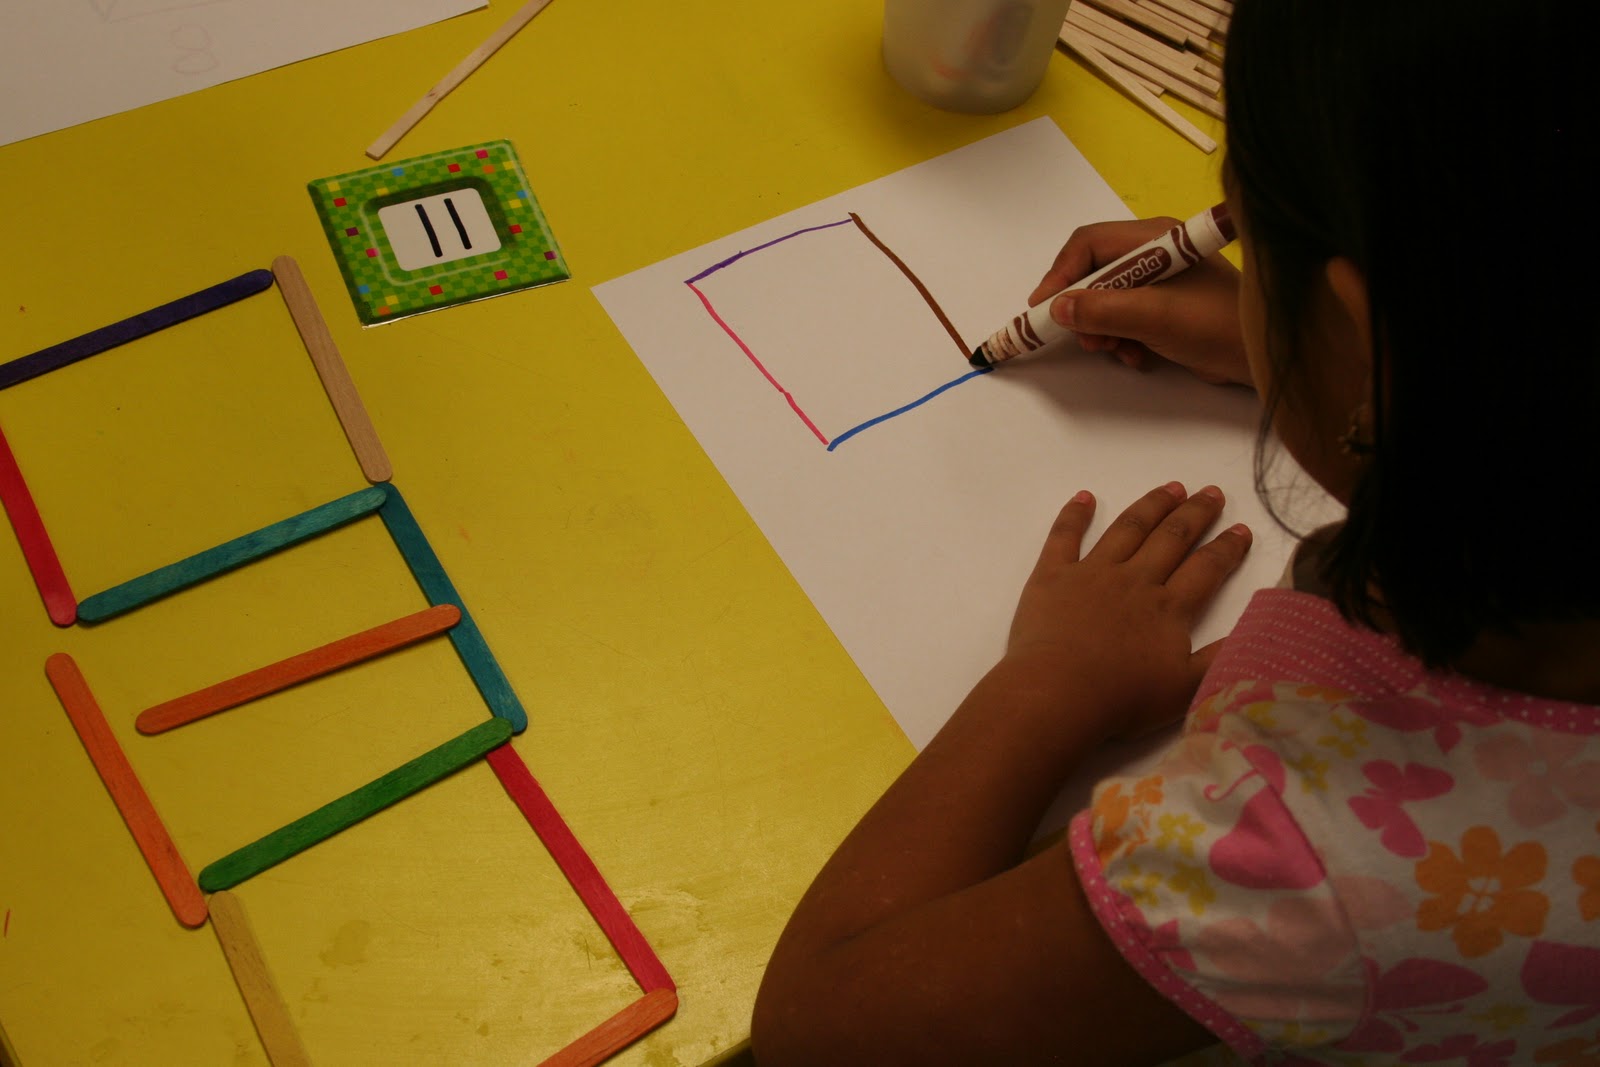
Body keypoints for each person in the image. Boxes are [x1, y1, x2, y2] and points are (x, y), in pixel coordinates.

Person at [750, 0, 1598, 1063]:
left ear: (1363, 330)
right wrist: (1294, 353)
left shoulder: (1309, 868)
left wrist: (1049, 687)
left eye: (1239, 220)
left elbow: (820, 1024)